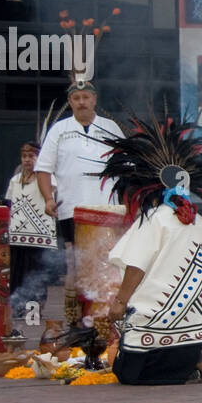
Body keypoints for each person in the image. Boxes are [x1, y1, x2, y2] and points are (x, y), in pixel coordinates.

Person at [101, 116, 202, 385]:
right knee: (172, 360)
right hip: (199, 322)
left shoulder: (156, 218)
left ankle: (185, 356)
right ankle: (195, 356)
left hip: (155, 320)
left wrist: (120, 302)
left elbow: (136, 262)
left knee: (126, 374)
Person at [35, 81, 122, 325]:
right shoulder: (59, 130)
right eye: (76, 98)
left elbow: (127, 166)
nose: (81, 102)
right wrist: (48, 199)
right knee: (74, 266)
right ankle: (75, 320)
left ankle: (106, 319)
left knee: (108, 264)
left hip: (107, 210)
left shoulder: (111, 128)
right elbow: (43, 169)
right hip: (71, 211)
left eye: (86, 97)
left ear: (94, 99)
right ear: (70, 102)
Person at [5, 140, 57, 326]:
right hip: (18, 236)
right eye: (24, 156)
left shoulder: (47, 180)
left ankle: (33, 314)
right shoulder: (14, 180)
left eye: (31, 156)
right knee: (17, 273)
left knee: (36, 275)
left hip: (40, 237)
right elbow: (9, 205)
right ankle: (18, 309)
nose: (27, 160)